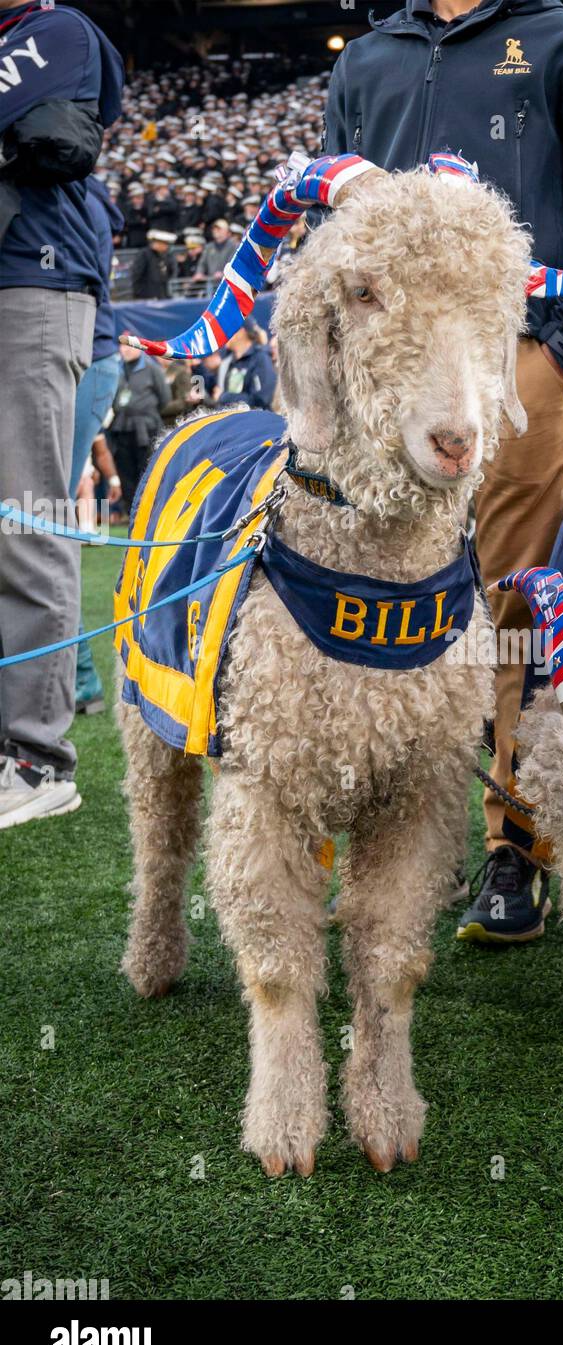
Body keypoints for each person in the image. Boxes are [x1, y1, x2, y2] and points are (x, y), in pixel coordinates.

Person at [324, 0, 563, 942]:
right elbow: (335, 221)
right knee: (370, 590)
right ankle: (371, 842)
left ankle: (514, 848)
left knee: (513, 607)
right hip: (386, 387)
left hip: (513, 369)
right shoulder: (368, 58)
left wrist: (555, 352)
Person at [0, 0, 123, 831]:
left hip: (31, 286)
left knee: (26, 519)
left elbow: (57, 139)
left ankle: (35, 758)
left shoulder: (56, 29)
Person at [70, 175, 125, 716]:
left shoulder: (76, 192)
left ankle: (78, 678)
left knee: (33, 523)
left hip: (79, 355)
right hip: (74, 354)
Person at [107, 342, 170, 518]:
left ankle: (148, 515)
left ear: (139, 348)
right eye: (122, 346)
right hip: (121, 427)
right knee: (124, 472)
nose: (124, 350)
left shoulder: (152, 368)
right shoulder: (116, 369)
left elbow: (165, 398)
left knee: (147, 470)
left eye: (129, 347)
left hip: (146, 427)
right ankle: (131, 514)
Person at [213, 319, 276, 409]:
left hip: (252, 421)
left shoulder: (260, 359)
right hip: (231, 420)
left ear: (240, 332)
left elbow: (262, 399)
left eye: (227, 330)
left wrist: (224, 396)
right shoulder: (228, 362)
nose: (223, 335)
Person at [130, 228, 176, 299]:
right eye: (164, 244)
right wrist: (138, 293)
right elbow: (136, 274)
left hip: (163, 295)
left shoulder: (165, 255)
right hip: (147, 296)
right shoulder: (144, 254)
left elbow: (170, 273)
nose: (166, 247)